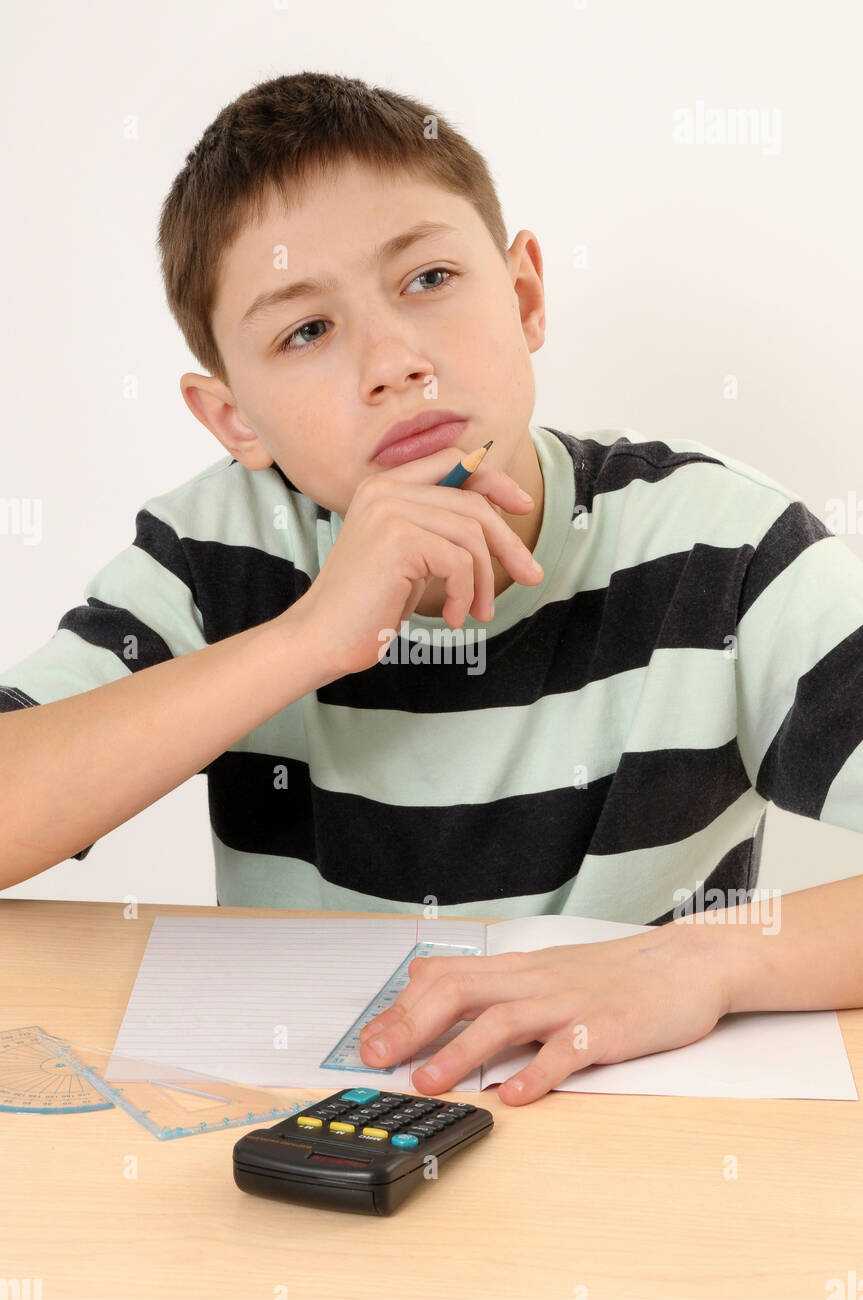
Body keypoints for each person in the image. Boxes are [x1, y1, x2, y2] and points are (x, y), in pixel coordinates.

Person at [3, 72, 863, 1105]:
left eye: (425, 279)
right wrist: (307, 636)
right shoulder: (211, 548)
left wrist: (700, 964)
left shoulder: (721, 547)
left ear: (524, 295)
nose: (392, 360)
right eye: (304, 332)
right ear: (234, 422)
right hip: (324, 1132)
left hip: (623, 1135)